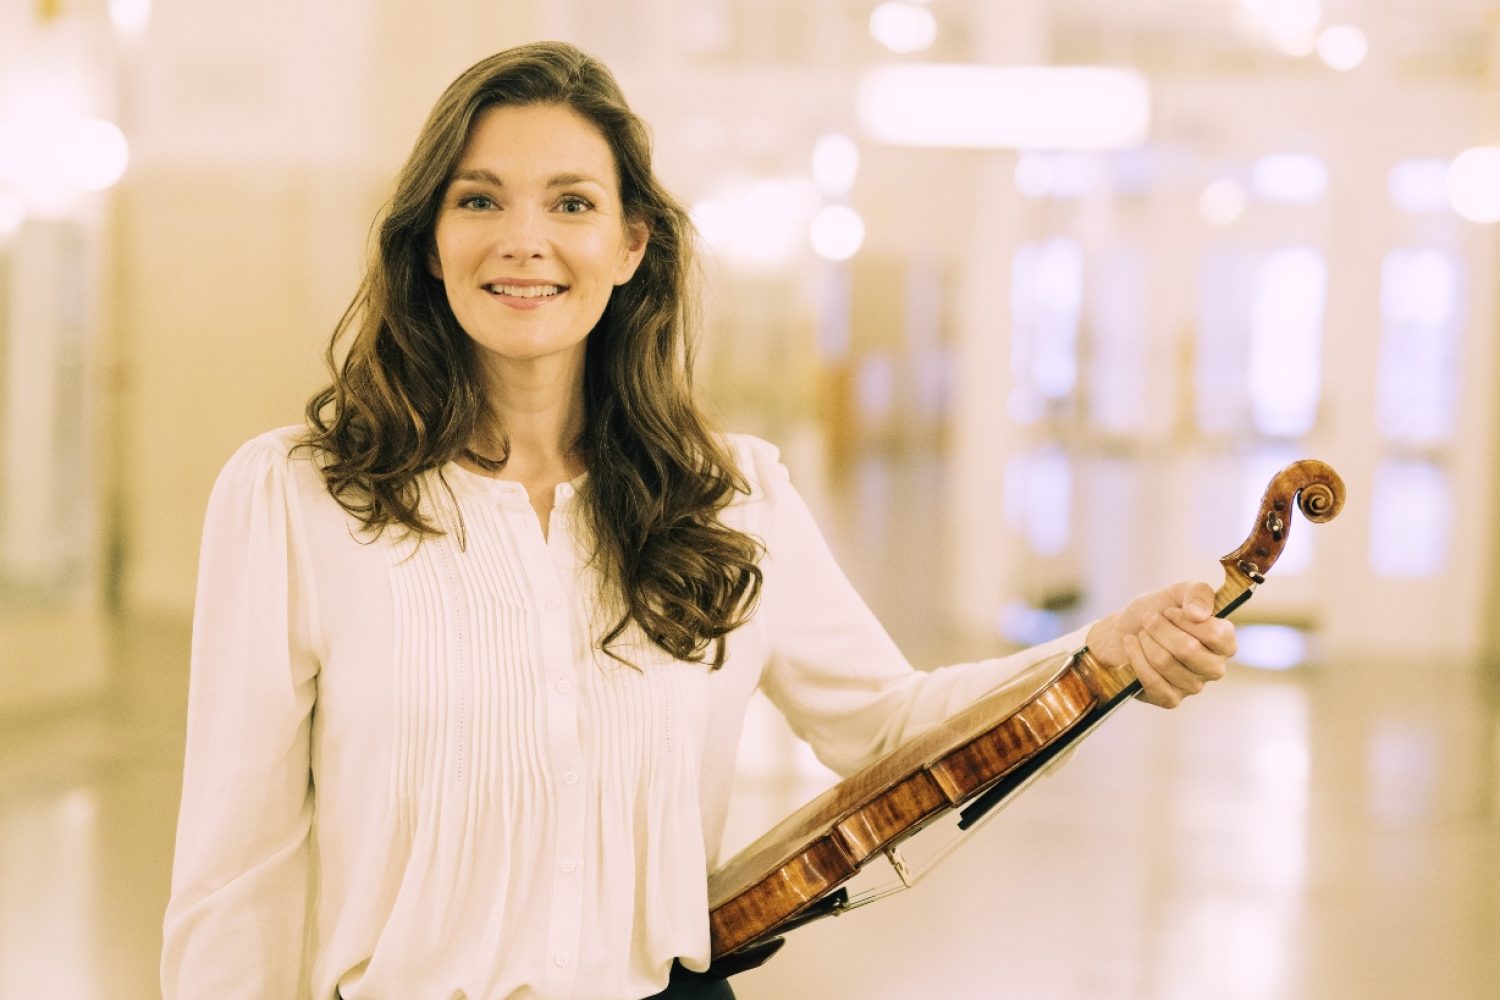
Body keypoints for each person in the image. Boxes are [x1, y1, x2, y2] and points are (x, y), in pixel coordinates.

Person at [160, 41, 1235, 1000]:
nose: (524, 240)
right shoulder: (299, 498)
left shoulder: (733, 495)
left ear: (632, 245)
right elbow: (236, 868)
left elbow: (890, 726)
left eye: (571, 204)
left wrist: (1097, 658)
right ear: (427, 240)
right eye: (479, 200)